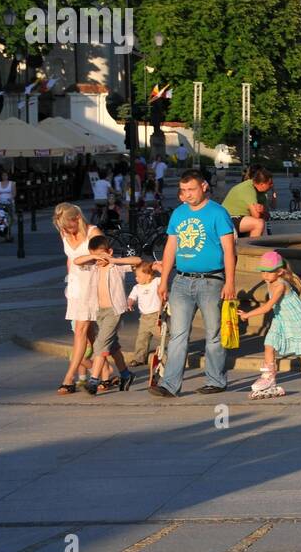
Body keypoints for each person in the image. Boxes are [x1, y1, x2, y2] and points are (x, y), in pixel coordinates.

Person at [151, 170, 238, 397]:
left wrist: (230, 282)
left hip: (211, 280)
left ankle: (216, 380)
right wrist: (163, 281)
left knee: (214, 334)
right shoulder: (179, 214)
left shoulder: (218, 213)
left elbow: (229, 250)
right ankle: (169, 384)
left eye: (191, 189)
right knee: (178, 334)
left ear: (204, 186)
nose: (187, 195)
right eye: (183, 190)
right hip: (182, 280)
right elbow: (170, 247)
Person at [238, 250, 301, 399]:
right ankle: (268, 378)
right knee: (269, 344)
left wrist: (248, 314)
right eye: (263, 272)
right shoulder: (270, 281)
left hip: (294, 318)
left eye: (269, 272)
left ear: (280, 272)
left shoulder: (280, 285)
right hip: (280, 318)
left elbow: (267, 307)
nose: (265, 275)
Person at [74, 235, 142, 394]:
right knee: (112, 346)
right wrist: (93, 257)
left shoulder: (116, 266)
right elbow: (77, 261)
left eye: (101, 255)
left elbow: (137, 260)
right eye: (96, 256)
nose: (99, 259)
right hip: (100, 311)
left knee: (100, 344)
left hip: (114, 311)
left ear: (109, 252)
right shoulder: (93, 265)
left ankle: (94, 380)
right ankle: (125, 374)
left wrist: (113, 260)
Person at [54, 204, 101, 395]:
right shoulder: (65, 233)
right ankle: (107, 372)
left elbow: (104, 257)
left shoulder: (93, 232)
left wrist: (87, 258)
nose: (65, 230)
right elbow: (69, 258)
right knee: (89, 332)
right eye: (62, 227)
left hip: (91, 285)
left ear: (77, 219)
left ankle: (69, 378)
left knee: (80, 330)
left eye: (68, 226)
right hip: (75, 286)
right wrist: (69, 280)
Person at [127, 260, 163, 372]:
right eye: (136, 276)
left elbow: (164, 278)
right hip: (144, 318)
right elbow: (131, 297)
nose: (136, 278)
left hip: (156, 316)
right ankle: (139, 358)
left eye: (138, 276)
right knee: (141, 339)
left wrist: (158, 268)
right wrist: (130, 303)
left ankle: (175, 350)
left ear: (148, 276)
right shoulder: (137, 287)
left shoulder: (156, 282)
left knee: (163, 336)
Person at [223, 165, 275, 238]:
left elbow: (267, 216)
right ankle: (251, 248)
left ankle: (257, 247)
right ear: (262, 184)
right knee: (258, 223)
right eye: (270, 183)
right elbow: (256, 216)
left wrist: (263, 211)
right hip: (228, 218)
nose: (272, 185)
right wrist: (262, 212)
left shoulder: (261, 193)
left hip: (241, 218)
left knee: (262, 224)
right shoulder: (248, 188)